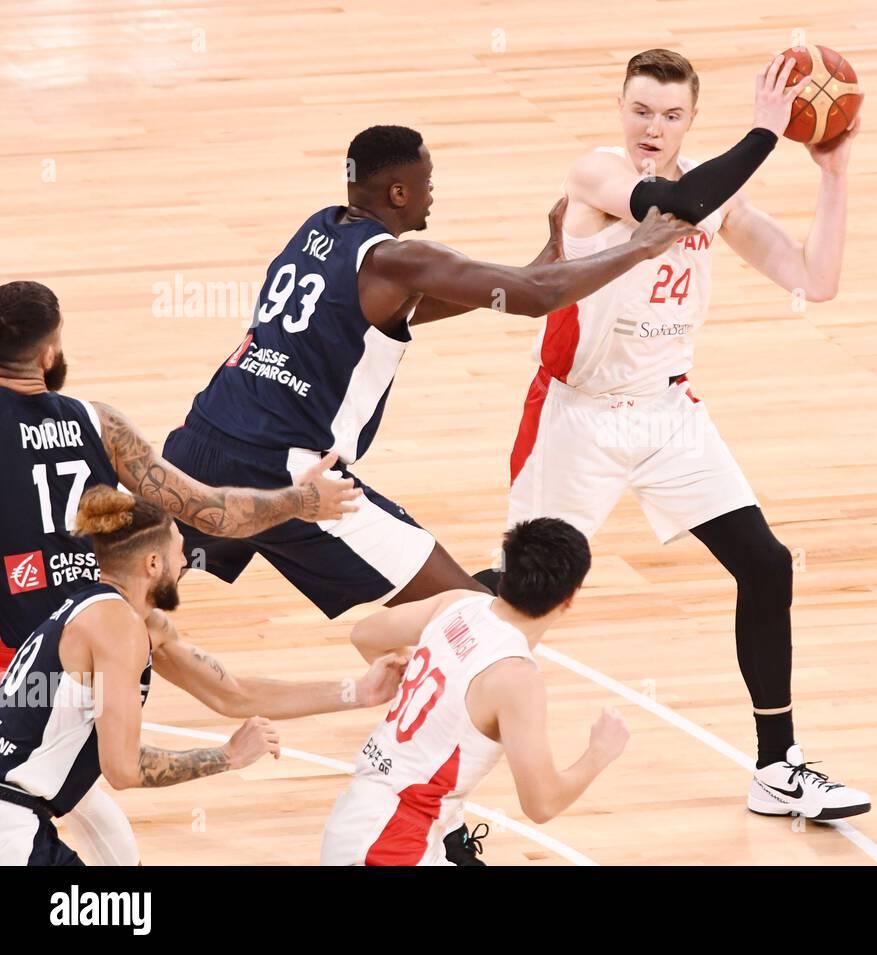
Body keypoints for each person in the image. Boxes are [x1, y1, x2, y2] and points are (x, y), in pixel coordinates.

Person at [494, 50, 869, 820]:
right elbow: (679, 205)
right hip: (579, 416)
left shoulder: (712, 190)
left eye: (669, 116)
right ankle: (426, 722)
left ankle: (778, 765)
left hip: (669, 415)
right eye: (640, 110)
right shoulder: (595, 174)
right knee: (519, 601)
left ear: (691, 121)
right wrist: (766, 134)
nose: (651, 129)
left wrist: (833, 175)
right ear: (619, 108)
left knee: (765, 565)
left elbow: (815, 278)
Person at [161, 127, 697, 620]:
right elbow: (536, 299)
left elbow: (429, 306)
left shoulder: (318, 230)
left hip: (199, 444)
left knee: (131, 596)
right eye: (427, 182)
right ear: (399, 194)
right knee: (468, 616)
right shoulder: (402, 259)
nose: (432, 193)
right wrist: (637, 248)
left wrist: (543, 262)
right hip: (287, 470)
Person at [0, 278, 360, 865]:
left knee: (79, 813)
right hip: (65, 644)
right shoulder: (99, 424)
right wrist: (299, 500)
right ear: (48, 353)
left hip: (40, 651)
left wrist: (360, 692)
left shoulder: (128, 624)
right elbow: (206, 509)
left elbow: (231, 693)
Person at [0, 486, 407, 865]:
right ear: (153, 562)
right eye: (179, 550)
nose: (184, 562)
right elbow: (122, 768)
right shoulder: (116, 626)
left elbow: (232, 695)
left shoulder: (122, 618)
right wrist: (226, 757)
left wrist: (361, 691)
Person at [321, 517, 627, 866]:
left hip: (362, 819)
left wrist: (405, 668)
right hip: (393, 845)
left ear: (504, 570)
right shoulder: (516, 678)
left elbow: (364, 634)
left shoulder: (457, 603)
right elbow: (542, 804)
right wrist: (599, 753)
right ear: (570, 598)